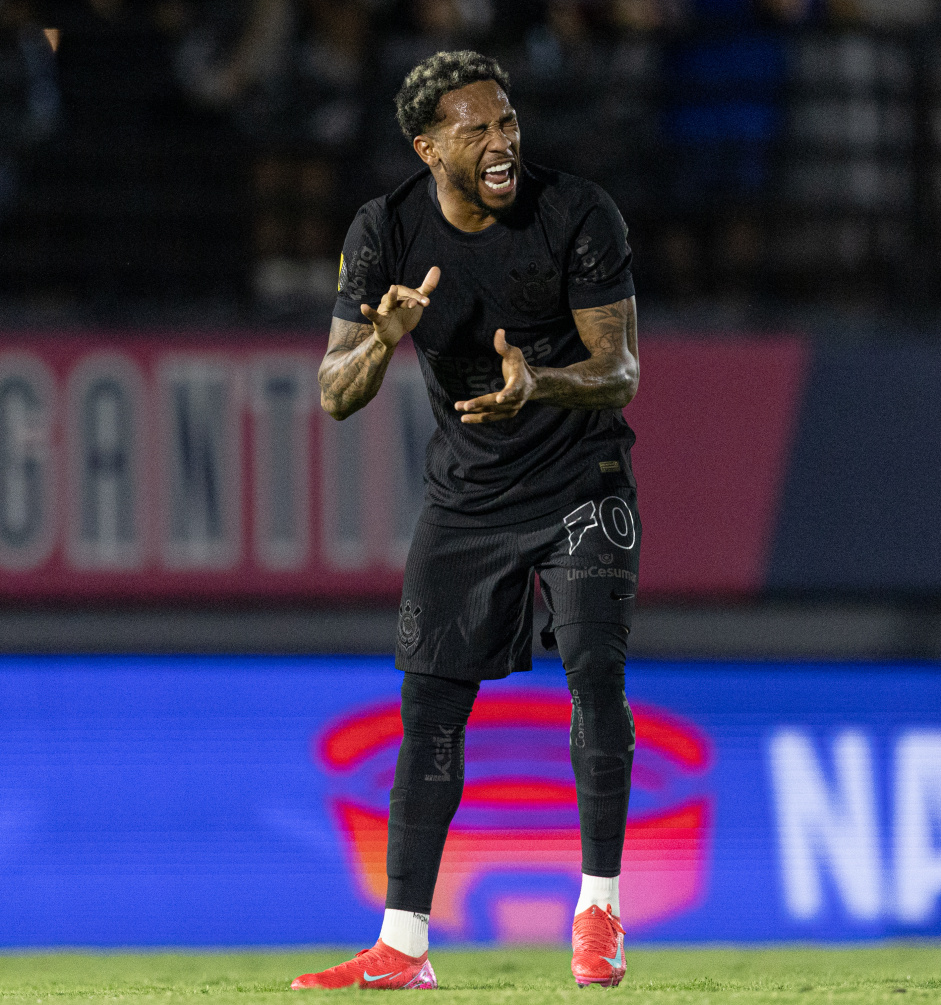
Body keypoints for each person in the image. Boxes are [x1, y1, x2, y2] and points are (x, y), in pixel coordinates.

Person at [292, 50, 641, 991]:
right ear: (425, 145)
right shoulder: (385, 232)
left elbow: (620, 371)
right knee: (427, 715)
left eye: (508, 120)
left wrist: (542, 383)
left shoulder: (578, 213)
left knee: (593, 675)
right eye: (476, 128)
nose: (502, 141)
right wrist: (383, 337)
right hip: (468, 499)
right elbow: (333, 391)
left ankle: (598, 909)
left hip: (581, 479)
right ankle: (404, 946)